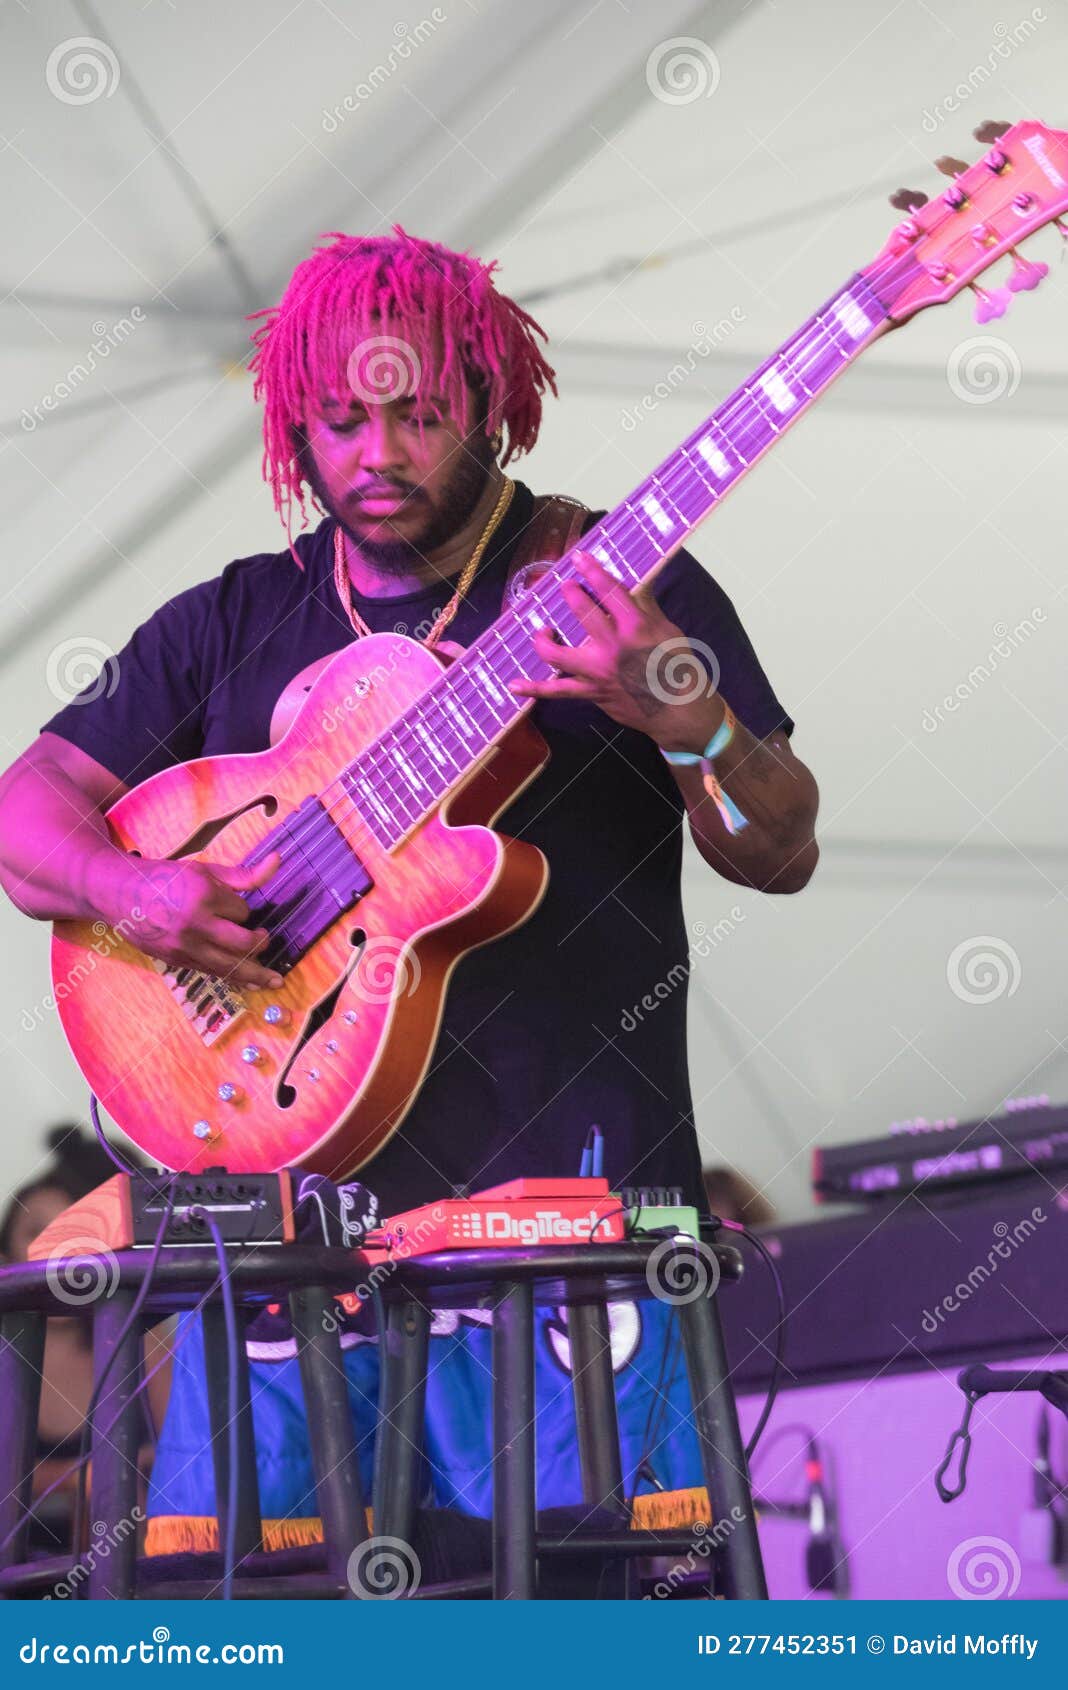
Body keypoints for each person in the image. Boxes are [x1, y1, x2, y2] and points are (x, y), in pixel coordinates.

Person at [0, 227, 819, 1561]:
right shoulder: (234, 619)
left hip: (564, 1246)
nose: (374, 453)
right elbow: (27, 812)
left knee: (591, 1621)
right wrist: (132, 893)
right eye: (338, 420)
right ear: (294, 425)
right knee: (279, 1617)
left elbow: (777, 846)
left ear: (490, 405)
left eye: (417, 414)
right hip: (283, 1267)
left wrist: (675, 697)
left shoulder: (618, 581)